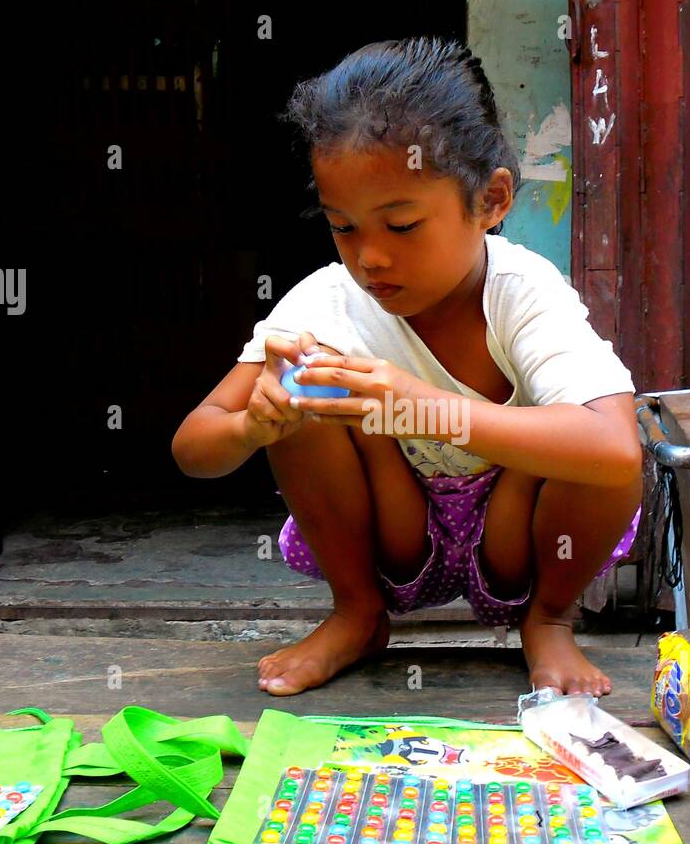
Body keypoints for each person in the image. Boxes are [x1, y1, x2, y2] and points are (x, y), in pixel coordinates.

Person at [172, 36, 641, 697]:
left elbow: (619, 452)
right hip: (398, 539)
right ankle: (357, 613)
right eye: (343, 226)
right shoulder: (326, 304)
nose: (370, 259)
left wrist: (429, 408)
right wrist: (252, 426)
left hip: (517, 543)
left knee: (587, 429)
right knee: (305, 391)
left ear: (492, 201)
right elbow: (195, 445)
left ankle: (550, 622)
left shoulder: (522, 293)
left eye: (400, 226)